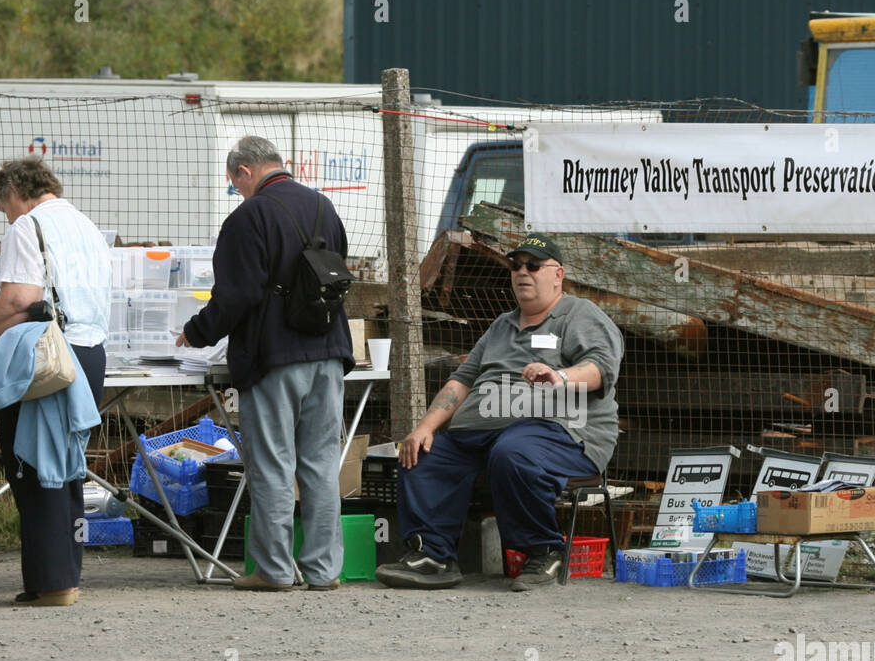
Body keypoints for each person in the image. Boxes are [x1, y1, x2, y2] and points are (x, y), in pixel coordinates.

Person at [376, 233, 623, 592]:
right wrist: (424, 428)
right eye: (516, 265)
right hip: (481, 435)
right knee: (423, 454)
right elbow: (461, 381)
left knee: (513, 450)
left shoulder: (579, 314)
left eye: (534, 266)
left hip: (563, 434)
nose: (523, 272)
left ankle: (543, 551)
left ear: (558, 274)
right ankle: (433, 556)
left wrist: (560, 376)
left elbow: (601, 368)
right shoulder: (501, 326)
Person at [177, 135, 353, 592]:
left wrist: (196, 332)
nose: (237, 191)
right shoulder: (323, 208)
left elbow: (237, 295)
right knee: (319, 463)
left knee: (274, 464)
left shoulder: (248, 217)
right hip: (330, 351)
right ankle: (323, 571)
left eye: (235, 184)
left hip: (275, 356)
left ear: (244, 172)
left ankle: (273, 571)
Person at [0, 157, 111, 606]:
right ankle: (60, 575)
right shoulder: (86, 226)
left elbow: (20, 297)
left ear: (14, 191)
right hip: (89, 352)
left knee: (35, 465)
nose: (7, 216)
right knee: (66, 465)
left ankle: (53, 584)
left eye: (4, 208)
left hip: (49, 359)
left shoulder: (28, 227)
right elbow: (40, 302)